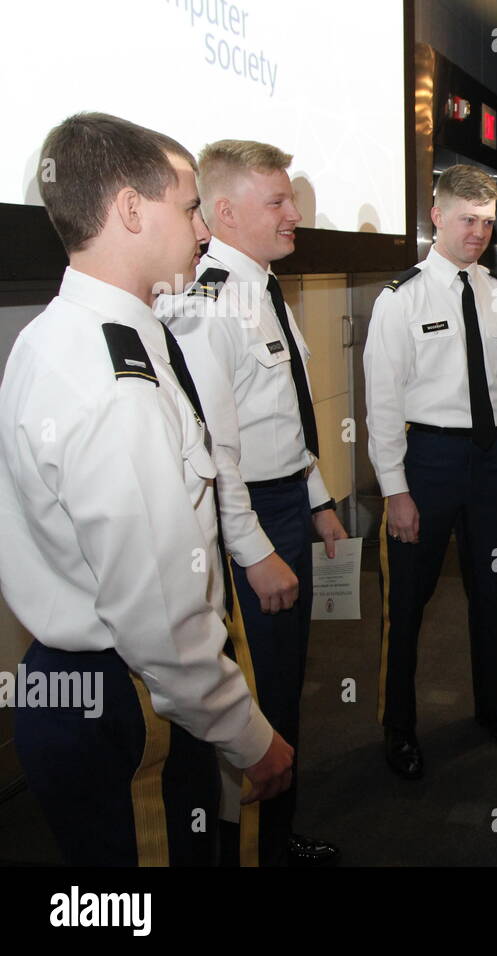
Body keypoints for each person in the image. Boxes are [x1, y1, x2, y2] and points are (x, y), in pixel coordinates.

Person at [0, 112, 292, 865]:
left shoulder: (54, 336)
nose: (202, 231)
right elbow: (159, 619)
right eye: (191, 207)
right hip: (127, 702)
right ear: (131, 210)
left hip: (74, 684)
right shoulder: (114, 383)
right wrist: (251, 738)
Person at [156, 139, 345, 867]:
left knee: (287, 685)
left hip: (287, 501)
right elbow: (217, 453)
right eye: (278, 201)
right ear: (225, 211)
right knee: (255, 697)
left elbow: (283, 419)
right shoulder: (208, 307)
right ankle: (249, 850)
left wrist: (320, 497)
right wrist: (257, 549)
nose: (295, 213)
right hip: (247, 520)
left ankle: (277, 838)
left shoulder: (262, 287)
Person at [364, 164, 497, 779]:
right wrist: (395, 491)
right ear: (436, 217)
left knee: (491, 594)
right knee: (408, 603)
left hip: (493, 462)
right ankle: (400, 727)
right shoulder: (401, 299)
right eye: (468, 220)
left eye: (488, 222)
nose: (479, 233)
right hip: (428, 463)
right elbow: (382, 406)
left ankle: (492, 708)